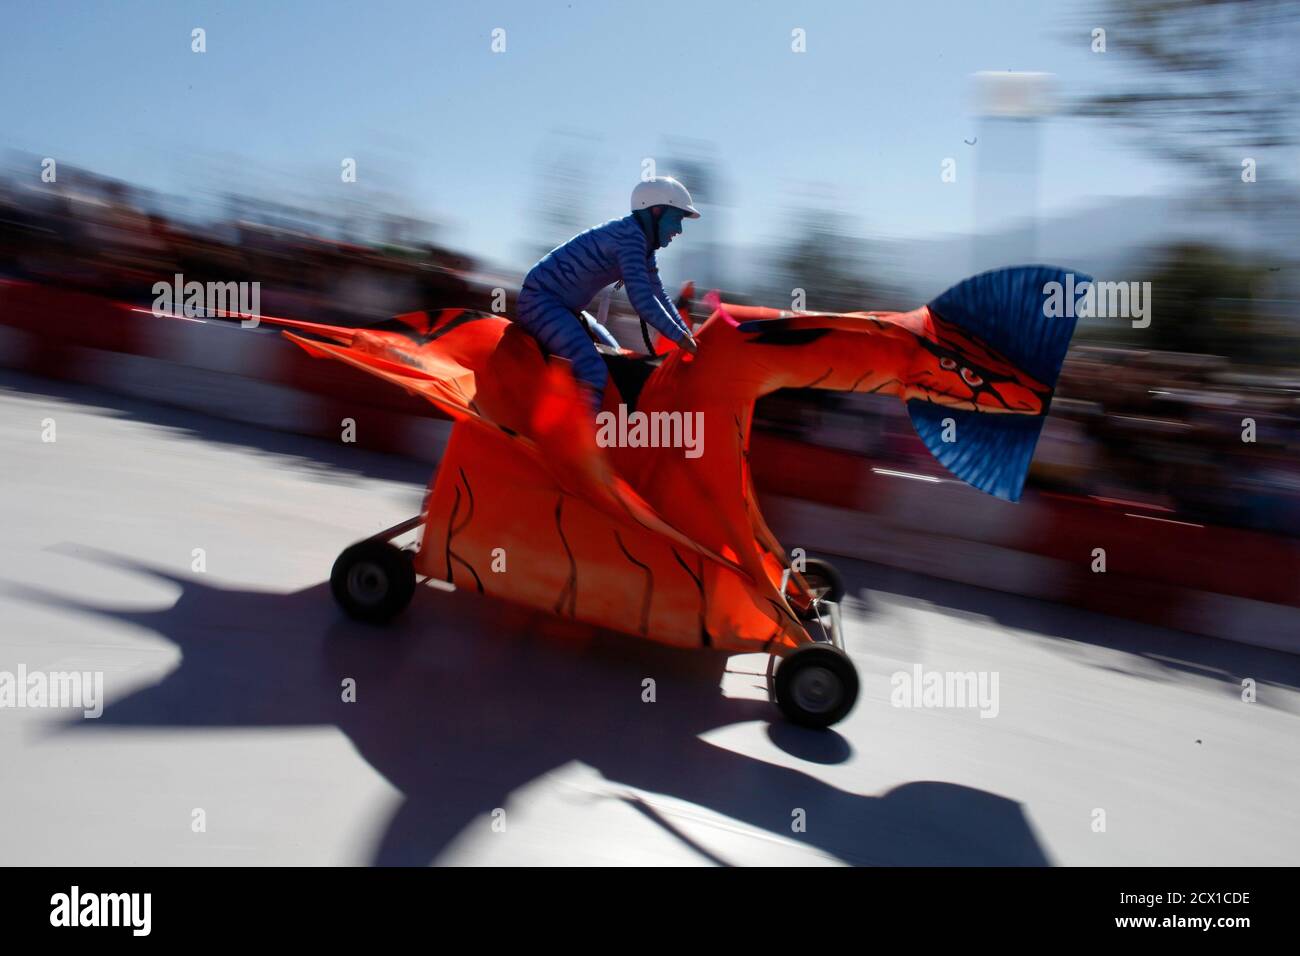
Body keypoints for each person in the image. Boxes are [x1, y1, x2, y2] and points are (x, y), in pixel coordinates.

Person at [515, 176, 700, 412]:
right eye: (676, 219)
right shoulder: (629, 239)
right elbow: (643, 299)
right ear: (656, 212)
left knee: (616, 355)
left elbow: (659, 294)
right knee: (593, 369)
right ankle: (581, 444)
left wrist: (687, 334)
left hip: (565, 307)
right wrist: (683, 340)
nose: (679, 230)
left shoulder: (642, 244)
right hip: (541, 303)